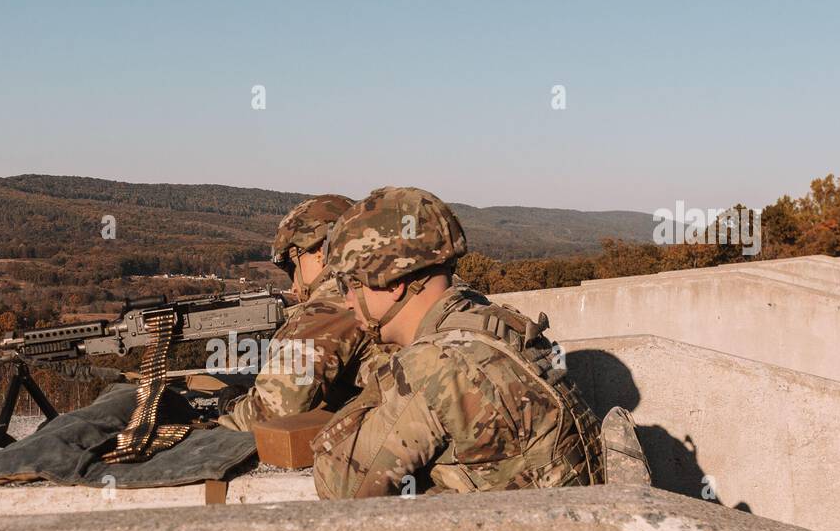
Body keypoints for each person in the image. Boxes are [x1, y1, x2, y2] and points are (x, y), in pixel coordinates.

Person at [311, 186, 604, 498]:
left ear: (392, 281)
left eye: (349, 284)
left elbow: (341, 487)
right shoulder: (499, 325)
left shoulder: (434, 364)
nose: (347, 301)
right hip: (578, 517)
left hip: (524, 527)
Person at [218, 194, 393, 431]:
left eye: (291, 266)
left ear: (321, 251)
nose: (294, 285)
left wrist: (232, 406)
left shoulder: (337, 299)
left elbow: (274, 411)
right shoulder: (381, 283)